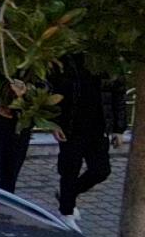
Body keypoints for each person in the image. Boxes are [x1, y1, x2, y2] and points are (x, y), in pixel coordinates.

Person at [51, 58, 120, 217]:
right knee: (69, 171)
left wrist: (118, 128)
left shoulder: (107, 58)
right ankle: (66, 214)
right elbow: (54, 91)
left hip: (98, 127)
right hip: (71, 127)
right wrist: (54, 123)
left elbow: (118, 92)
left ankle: (67, 196)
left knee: (101, 170)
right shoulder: (68, 59)